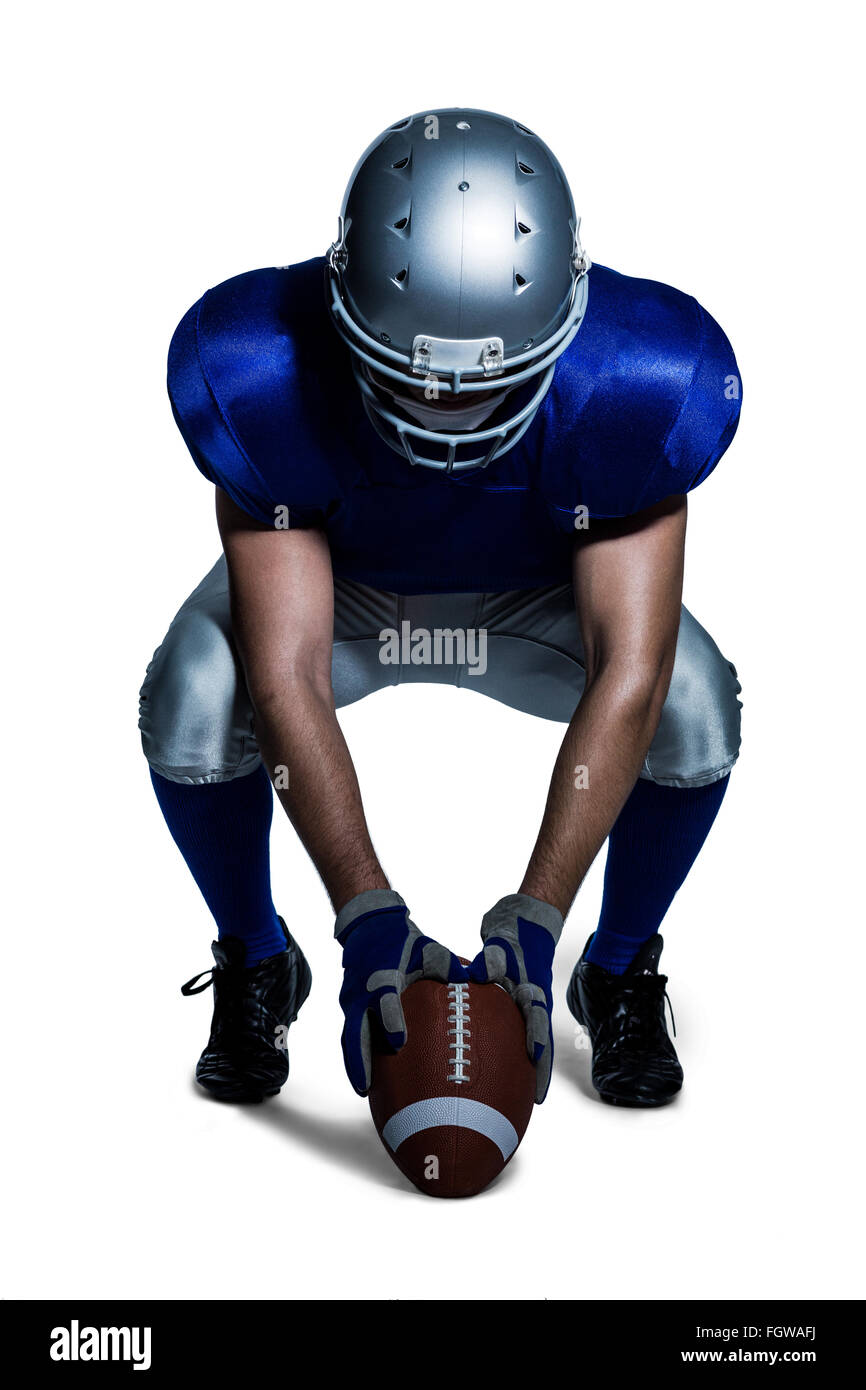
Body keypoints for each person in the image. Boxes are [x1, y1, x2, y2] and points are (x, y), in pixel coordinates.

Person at [140, 108, 742, 1111]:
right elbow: (284, 675)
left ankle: (617, 966)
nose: (445, 414)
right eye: (409, 380)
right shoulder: (261, 372)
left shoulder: (640, 381)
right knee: (194, 686)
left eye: (484, 385)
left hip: (536, 593)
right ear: (343, 315)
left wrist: (535, 918)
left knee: (690, 700)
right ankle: (256, 958)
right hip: (352, 588)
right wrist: (365, 916)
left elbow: (628, 672)